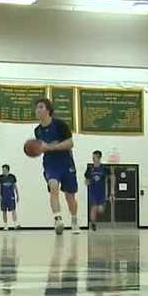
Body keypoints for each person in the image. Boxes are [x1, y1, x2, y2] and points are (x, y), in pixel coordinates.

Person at [32, 97, 79, 235]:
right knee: (53, 187)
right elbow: (42, 148)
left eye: (41, 107)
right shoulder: (37, 131)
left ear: (48, 110)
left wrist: (52, 147)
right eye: (37, 107)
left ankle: (74, 220)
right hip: (51, 163)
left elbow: (70, 143)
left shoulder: (60, 125)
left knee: (70, 196)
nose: (37, 110)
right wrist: (37, 149)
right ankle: (58, 219)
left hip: (66, 162)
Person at [84, 150, 113, 231]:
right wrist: (87, 182)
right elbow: (86, 179)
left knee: (100, 210)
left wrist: (112, 192)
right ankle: (93, 223)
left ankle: (97, 213)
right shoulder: (90, 168)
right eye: (92, 157)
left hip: (102, 192)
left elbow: (111, 177)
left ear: (99, 158)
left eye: (95, 157)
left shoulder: (104, 168)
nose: (93, 158)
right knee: (94, 207)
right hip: (93, 192)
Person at [0, 164, 20, 230]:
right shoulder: (0, 177)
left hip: (11, 196)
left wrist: (17, 195)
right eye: (2, 170)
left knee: (13, 210)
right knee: (4, 211)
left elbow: (15, 187)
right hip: (3, 197)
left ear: (7, 170)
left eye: (4, 170)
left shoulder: (12, 177)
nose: (3, 171)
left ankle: (15, 225)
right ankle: (5, 226)